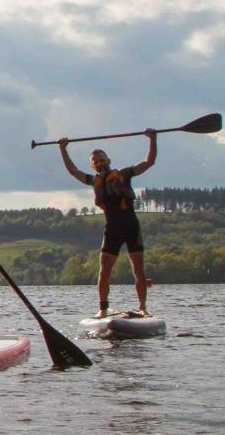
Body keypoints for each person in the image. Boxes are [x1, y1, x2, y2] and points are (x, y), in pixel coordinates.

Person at [58, 130, 156, 317]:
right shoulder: (93, 180)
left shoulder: (124, 174)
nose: (99, 163)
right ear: (93, 166)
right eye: (95, 162)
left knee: (138, 270)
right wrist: (63, 149)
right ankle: (102, 309)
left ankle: (143, 308)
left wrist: (152, 139)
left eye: (102, 160)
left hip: (131, 227)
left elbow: (148, 162)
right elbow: (72, 171)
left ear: (108, 160)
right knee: (104, 271)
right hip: (112, 230)